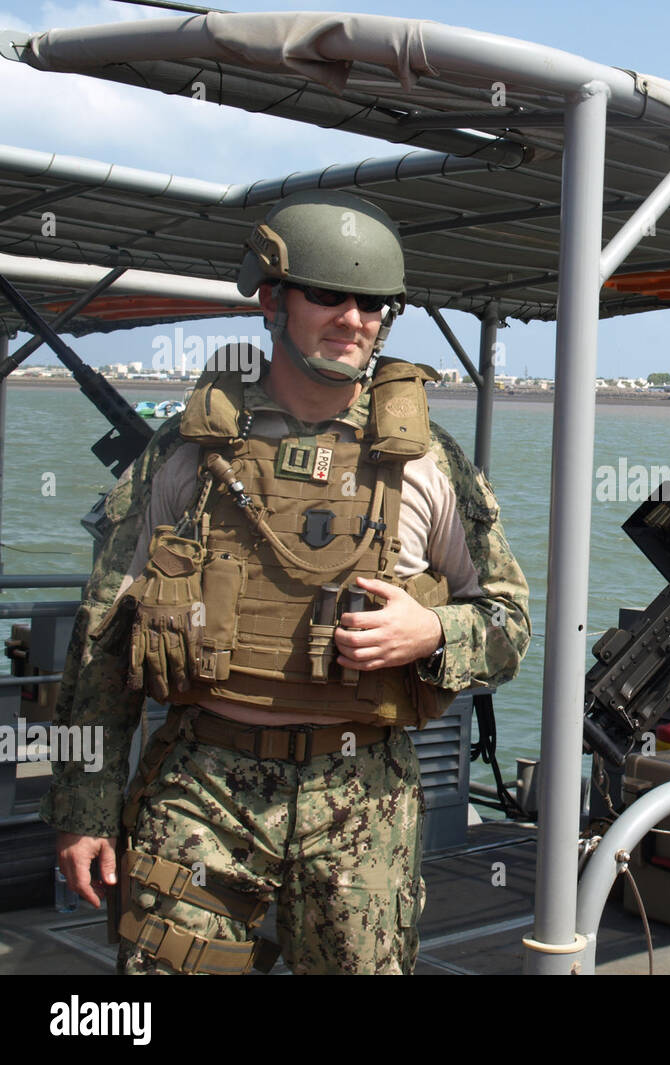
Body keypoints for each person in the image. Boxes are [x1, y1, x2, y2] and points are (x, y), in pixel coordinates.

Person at [43, 190, 530, 974]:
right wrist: (83, 807)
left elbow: (508, 621)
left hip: (361, 793)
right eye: (329, 295)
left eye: (373, 303)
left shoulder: (428, 461)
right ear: (273, 300)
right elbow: (105, 632)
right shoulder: (188, 449)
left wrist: (433, 631)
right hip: (204, 785)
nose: (353, 319)